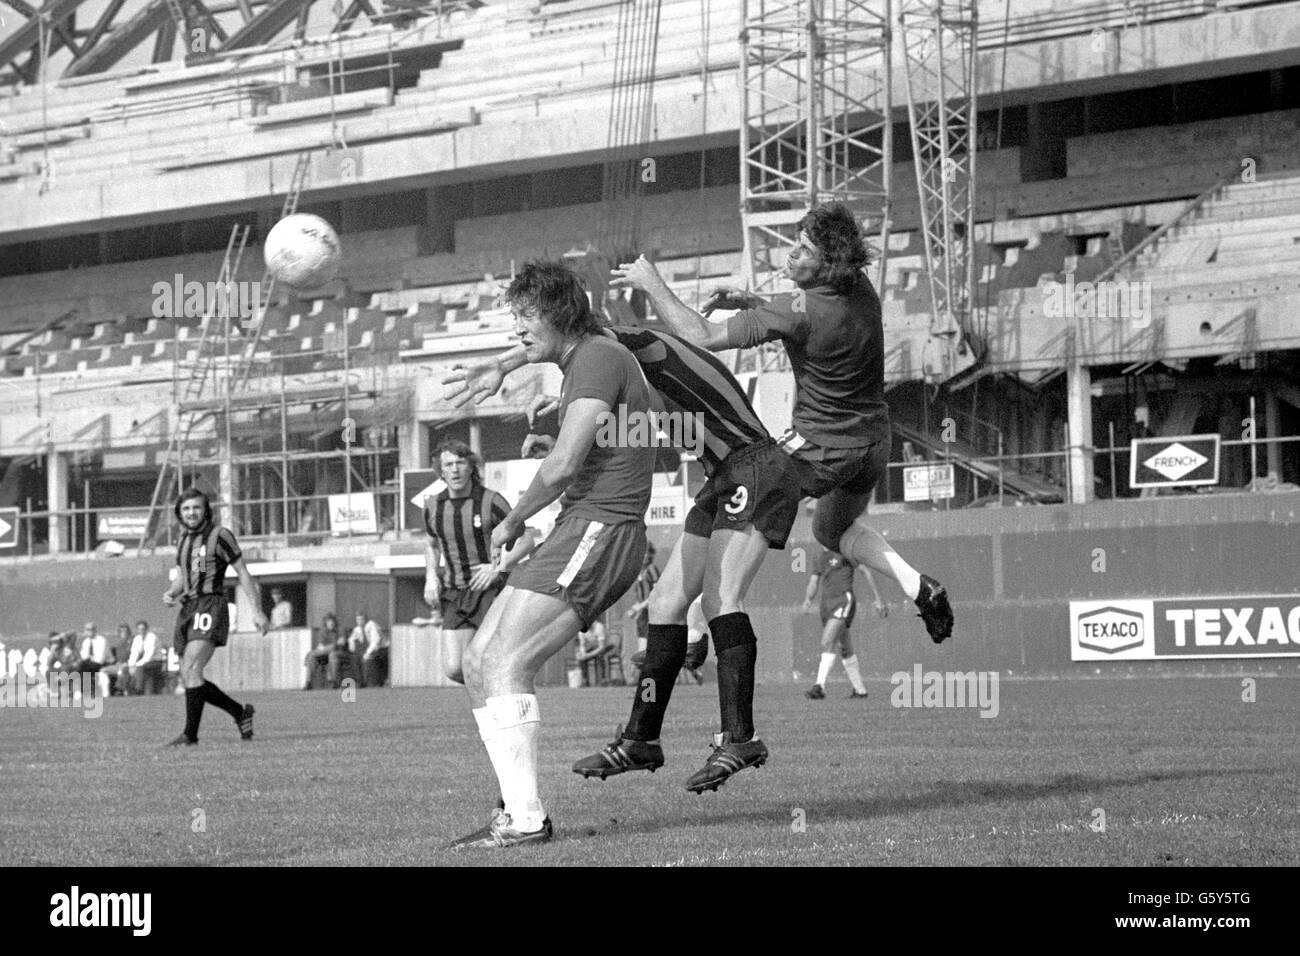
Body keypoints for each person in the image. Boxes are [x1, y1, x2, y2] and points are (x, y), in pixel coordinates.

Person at [443, 260, 657, 849]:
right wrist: (504, 364)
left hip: (602, 528)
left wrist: (512, 517)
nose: (518, 329)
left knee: (506, 664)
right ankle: (514, 809)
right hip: (581, 525)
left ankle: (528, 822)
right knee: (477, 662)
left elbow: (562, 466)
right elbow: (580, 447)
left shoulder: (595, 358)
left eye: (526, 316)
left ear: (561, 315)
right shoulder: (590, 353)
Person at [421, 439, 535, 685]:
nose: (454, 469)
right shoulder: (433, 506)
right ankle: (498, 694)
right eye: (448, 464)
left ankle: (502, 707)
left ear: (471, 467)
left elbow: (526, 539)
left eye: (460, 462)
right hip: (455, 592)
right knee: (454, 668)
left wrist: (498, 567)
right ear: (440, 471)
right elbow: (430, 544)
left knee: (488, 660)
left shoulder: (491, 501)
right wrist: (431, 575)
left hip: (491, 592)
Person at [162, 487, 268, 746]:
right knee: (189, 675)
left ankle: (190, 735)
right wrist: (172, 592)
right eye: (186, 509)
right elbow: (183, 576)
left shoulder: (220, 536)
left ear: (206, 510)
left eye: (196, 507)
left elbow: (242, 572)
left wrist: (257, 610)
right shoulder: (184, 540)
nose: (191, 513)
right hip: (188, 607)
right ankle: (239, 713)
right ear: (180, 513)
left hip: (211, 605)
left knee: (190, 668)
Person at [803, 550, 881, 699]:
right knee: (844, 647)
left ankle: (819, 687)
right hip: (826, 605)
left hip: (843, 600)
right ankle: (860, 690)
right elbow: (814, 581)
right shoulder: (819, 555)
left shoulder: (845, 551)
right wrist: (808, 599)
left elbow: (866, 572)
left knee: (827, 640)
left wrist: (878, 599)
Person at [623, 542, 660, 655]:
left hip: (652, 615)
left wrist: (640, 606)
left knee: (651, 652)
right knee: (641, 652)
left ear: (650, 555)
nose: (643, 556)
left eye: (645, 553)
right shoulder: (639, 572)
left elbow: (657, 594)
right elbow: (641, 597)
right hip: (643, 616)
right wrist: (635, 608)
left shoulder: (651, 569)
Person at [574, 618, 618, 686]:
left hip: (606, 646)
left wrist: (588, 655)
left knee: (600, 656)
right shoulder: (582, 629)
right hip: (595, 647)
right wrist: (583, 654)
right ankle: (585, 681)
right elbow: (582, 645)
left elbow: (601, 647)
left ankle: (603, 680)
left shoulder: (599, 627)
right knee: (582, 659)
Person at [304, 613, 340, 689]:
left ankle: (334, 682)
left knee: (332, 653)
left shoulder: (338, 631)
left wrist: (331, 646)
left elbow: (337, 646)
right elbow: (321, 646)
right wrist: (330, 647)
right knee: (312, 659)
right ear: (326, 623)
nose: (331, 623)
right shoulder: (323, 632)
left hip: (336, 654)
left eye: (332, 621)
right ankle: (308, 682)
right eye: (329, 621)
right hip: (324, 657)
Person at [77, 622, 111, 699]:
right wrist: (86, 660)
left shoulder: (102, 640)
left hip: (103, 663)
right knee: (79, 667)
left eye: (92, 629)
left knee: (82, 668)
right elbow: (83, 656)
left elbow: (100, 658)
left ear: (95, 630)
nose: (90, 631)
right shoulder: (86, 642)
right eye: (88, 630)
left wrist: (88, 660)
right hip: (90, 664)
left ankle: (85, 691)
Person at [360, 615, 391, 687]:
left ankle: (374, 683)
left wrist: (367, 653)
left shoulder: (371, 626)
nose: (360, 622)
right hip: (378, 650)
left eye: (361, 619)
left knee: (368, 659)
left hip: (384, 649)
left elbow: (376, 641)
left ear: (365, 619)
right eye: (358, 620)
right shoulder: (360, 629)